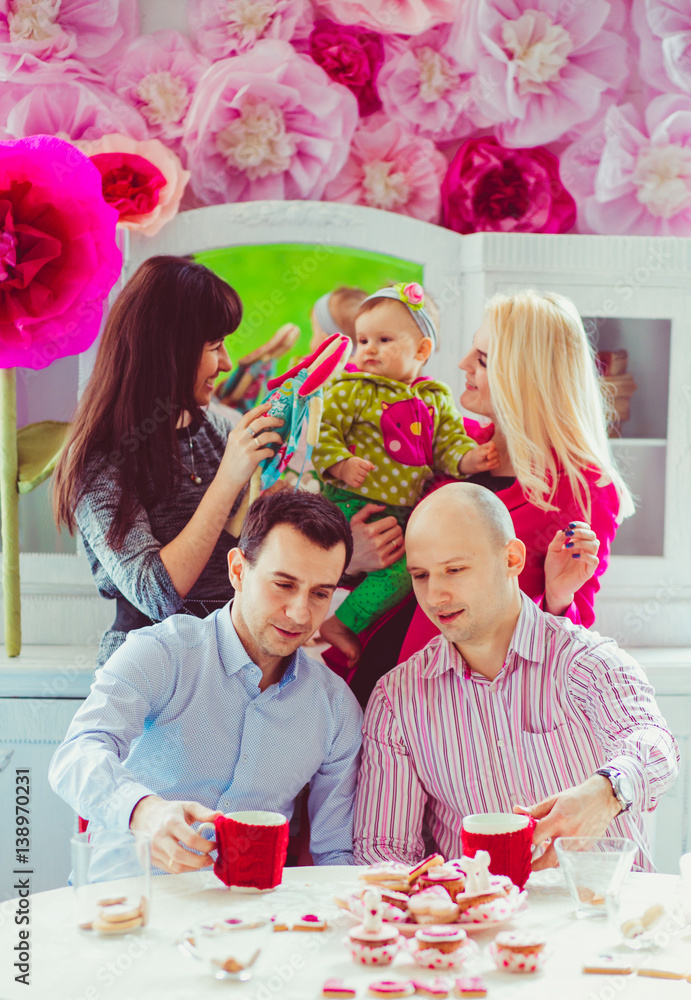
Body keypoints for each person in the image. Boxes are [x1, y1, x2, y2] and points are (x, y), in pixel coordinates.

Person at [52, 256, 404, 668]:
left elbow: (257, 558)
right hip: (151, 673)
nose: (226, 363)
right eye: (215, 347)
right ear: (170, 351)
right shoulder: (99, 458)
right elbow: (156, 593)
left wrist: (348, 560)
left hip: (240, 663)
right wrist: (228, 478)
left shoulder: (218, 429)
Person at [353, 484, 679, 872]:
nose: (436, 595)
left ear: (511, 558)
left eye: (455, 570)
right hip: (479, 922)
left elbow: (655, 743)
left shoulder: (586, 661)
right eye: (421, 575)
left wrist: (607, 791)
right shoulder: (396, 699)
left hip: (604, 916)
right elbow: (383, 852)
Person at [49, 490, 364, 878]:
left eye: (320, 593)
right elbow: (76, 754)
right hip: (127, 902)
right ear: (237, 571)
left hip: (248, 921)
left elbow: (336, 855)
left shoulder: (335, 708)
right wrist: (142, 810)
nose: (300, 613)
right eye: (283, 584)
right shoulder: (162, 653)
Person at [353, 289, 635, 703]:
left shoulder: (584, 489)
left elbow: (573, 646)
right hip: (370, 675)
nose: (462, 364)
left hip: (458, 707)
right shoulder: (453, 447)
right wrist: (353, 558)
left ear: (525, 377)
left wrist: (559, 597)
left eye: (482, 359)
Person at [313, 282, 499, 668]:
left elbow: (450, 447)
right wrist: (342, 464)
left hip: (401, 514)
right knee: (345, 551)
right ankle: (341, 619)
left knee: (405, 570)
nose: (369, 349)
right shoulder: (350, 390)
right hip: (351, 502)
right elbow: (323, 434)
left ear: (421, 350)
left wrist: (471, 460)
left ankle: (344, 622)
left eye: (383, 339)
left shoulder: (435, 399)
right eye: (362, 340)